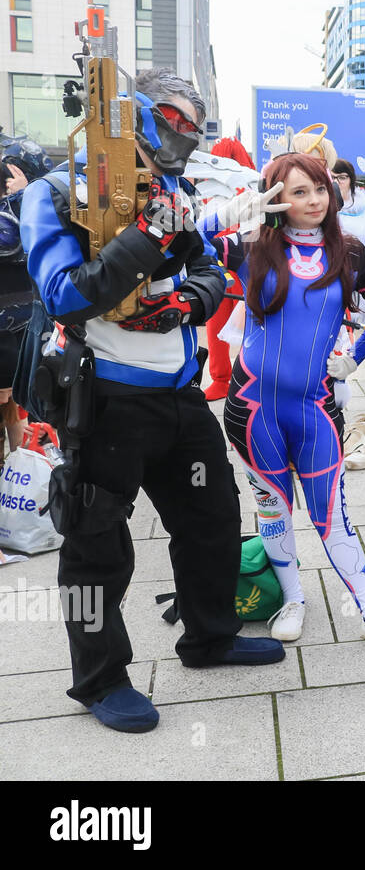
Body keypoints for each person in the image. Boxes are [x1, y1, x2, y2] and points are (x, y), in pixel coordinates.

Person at [21, 67, 284, 734]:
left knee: (214, 519)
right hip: (105, 401)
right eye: (174, 117)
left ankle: (209, 635)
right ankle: (100, 679)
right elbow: (68, 294)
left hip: (178, 393)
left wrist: (181, 306)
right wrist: (152, 232)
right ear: (132, 109)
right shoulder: (57, 194)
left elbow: (210, 269)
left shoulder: (172, 190)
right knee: (94, 547)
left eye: (195, 124)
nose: (185, 133)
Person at [200, 152, 365, 653]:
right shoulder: (251, 247)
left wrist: (353, 357)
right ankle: (292, 598)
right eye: (298, 192)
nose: (314, 200)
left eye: (319, 188)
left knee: (332, 515)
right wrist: (232, 211)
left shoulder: (350, 252)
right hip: (252, 411)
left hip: (316, 410)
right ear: (277, 199)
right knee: (272, 507)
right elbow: (190, 238)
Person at [187, 136, 258, 401]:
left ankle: (234, 378)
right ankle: (225, 378)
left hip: (236, 265)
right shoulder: (205, 192)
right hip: (221, 266)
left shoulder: (249, 186)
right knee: (227, 326)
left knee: (243, 325)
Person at [0, 137, 52, 452]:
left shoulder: (35, 208)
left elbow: (20, 242)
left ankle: (23, 485)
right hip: (13, 337)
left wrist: (23, 196)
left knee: (21, 419)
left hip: (26, 336)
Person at [332, 158, 365, 266]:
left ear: (351, 180)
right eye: (332, 177)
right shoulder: (321, 212)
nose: (336, 182)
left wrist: (362, 267)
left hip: (359, 273)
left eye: (342, 177)